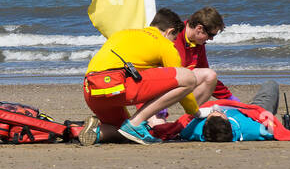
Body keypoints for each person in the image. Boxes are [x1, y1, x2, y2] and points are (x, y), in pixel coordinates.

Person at [78, 8, 219, 146]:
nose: (174, 42)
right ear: (170, 31)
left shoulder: (123, 33)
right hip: (116, 86)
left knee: (124, 134)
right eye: (174, 38)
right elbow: (183, 81)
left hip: (91, 91)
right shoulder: (165, 45)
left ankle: (97, 131)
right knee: (188, 77)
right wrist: (195, 111)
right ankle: (135, 123)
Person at [151, 82, 290, 142]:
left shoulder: (194, 131)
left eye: (212, 115)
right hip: (251, 113)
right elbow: (271, 131)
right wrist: (267, 118)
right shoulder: (250, 129)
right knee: (270, 86)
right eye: (218, 113)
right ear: (228, 120)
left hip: (240, 110)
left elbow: (177, 128)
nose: (215, 111)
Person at [173, 7, 237, 101]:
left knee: (209, 76)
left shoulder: (198, 42)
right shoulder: (173, 36)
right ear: (199, 28)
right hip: (158, 84)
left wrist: (228, 97)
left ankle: (192, 113)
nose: (211, 39)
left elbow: (206, 73)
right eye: (211, 35)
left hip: (179, 83)